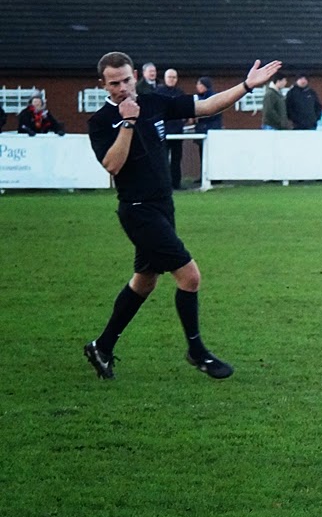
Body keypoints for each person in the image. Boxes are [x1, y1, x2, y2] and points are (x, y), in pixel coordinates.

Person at [83, 51, 282, 381]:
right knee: (190, 277)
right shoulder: (101, 121)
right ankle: (197, 351)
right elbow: (112, 165)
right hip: (138, 210)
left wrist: (247, 85)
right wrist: (128, 122)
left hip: (162, 207)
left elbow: (207, 106)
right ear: (103, 84)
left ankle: (101, 346)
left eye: (127, 80)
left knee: (144, 281)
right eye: (114, 83)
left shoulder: (155, 102)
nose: (122, 88)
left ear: (136, 77)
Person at [155, 69, 188, 190]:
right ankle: (164, 184)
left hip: (177, 131)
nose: (172, 79)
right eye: (169, 77)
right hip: (163, 132)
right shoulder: (158, 93)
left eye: (174, 77)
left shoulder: (180, 93)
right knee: (162, 159)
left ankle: (176, 183)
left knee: (176, 159)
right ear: (165, 78)